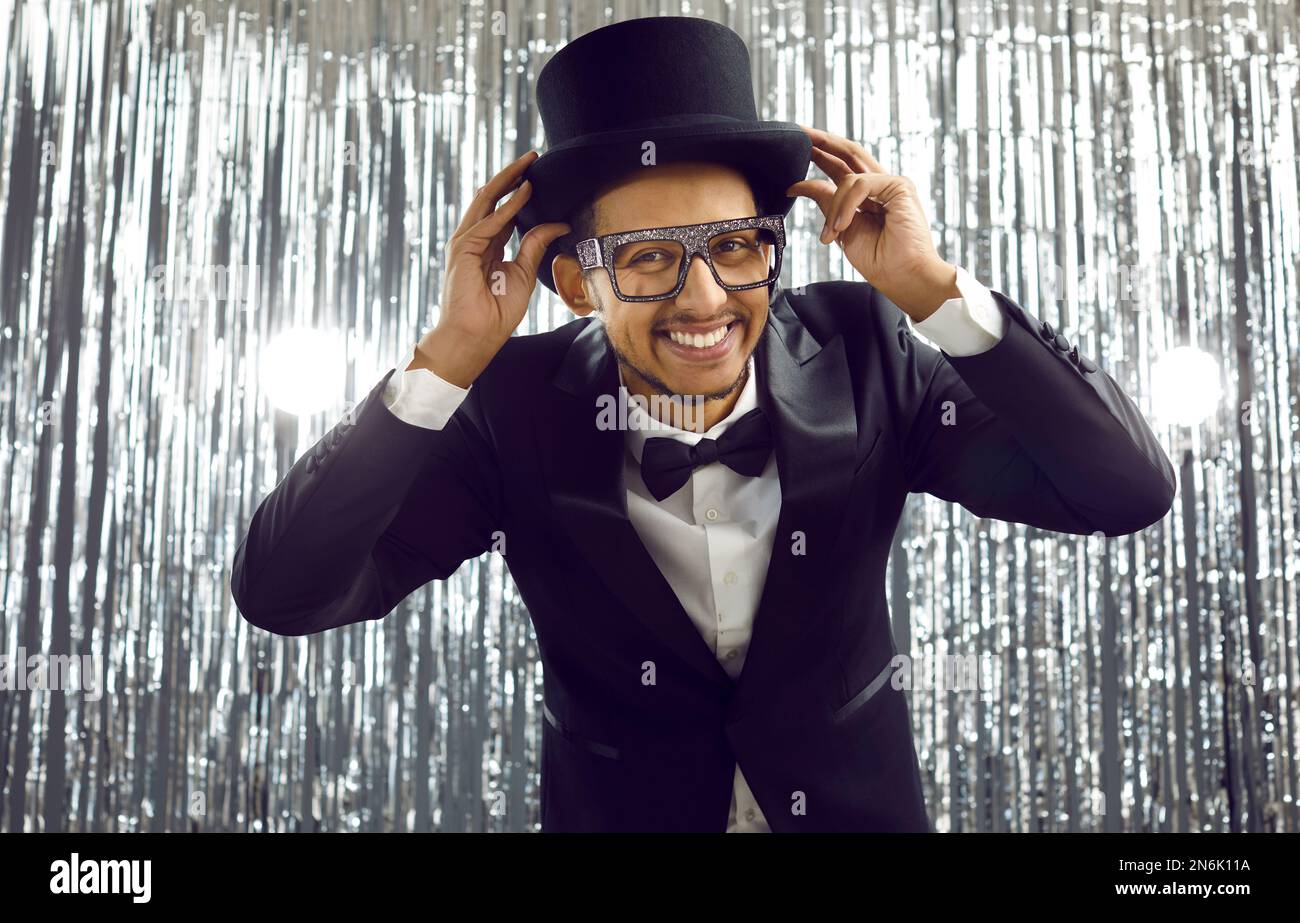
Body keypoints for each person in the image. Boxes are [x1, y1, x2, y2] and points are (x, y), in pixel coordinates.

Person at [230, 17, 1175, 832]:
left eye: (734, 246)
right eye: (646, 258)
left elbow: (1124, 489)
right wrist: (445, 360)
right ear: (573, 281)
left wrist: (934, 293)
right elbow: (285, 592)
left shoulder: (870, 350)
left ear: (773, 244)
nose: (704, 298)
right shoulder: (504, 406)